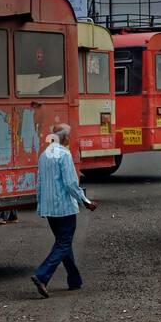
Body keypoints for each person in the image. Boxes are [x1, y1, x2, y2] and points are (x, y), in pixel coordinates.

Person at [31, 124, 96, 297]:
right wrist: (85, 201)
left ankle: (74, 279)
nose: (70, 138)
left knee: (62, 242)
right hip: (64, 207)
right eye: (69, 136)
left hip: (49, 208)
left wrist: (40, 205)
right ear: (65, 137)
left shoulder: (44, 155)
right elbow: (70, 184)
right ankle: (42, 276)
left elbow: (39, 184)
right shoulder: (64, 155)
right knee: (63, 243)